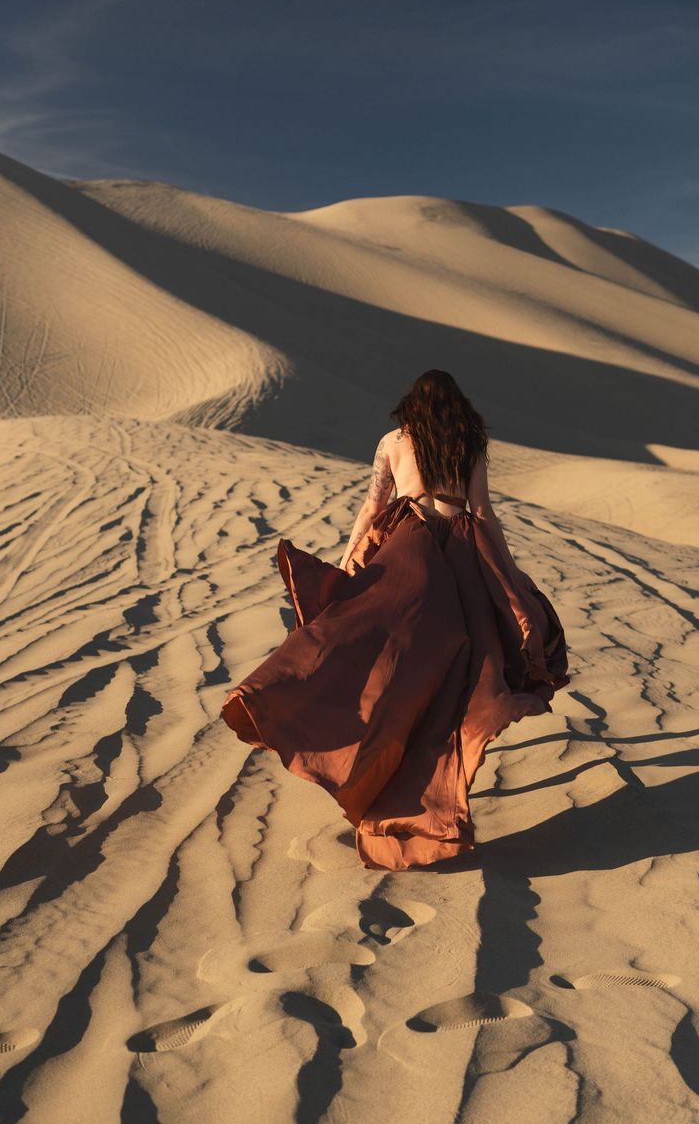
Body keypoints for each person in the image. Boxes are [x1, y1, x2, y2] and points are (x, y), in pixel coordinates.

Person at [221, 369, 570, 870]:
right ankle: (432, 780)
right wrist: (509, 572)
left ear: (412, 405)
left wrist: (347, 566)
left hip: (409, 553)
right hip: (463, 558)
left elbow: (373, 505)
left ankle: (312, 725)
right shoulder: (469, 440)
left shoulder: (393, 441)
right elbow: (482, 511)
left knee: (381, 658)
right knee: (464, 677)